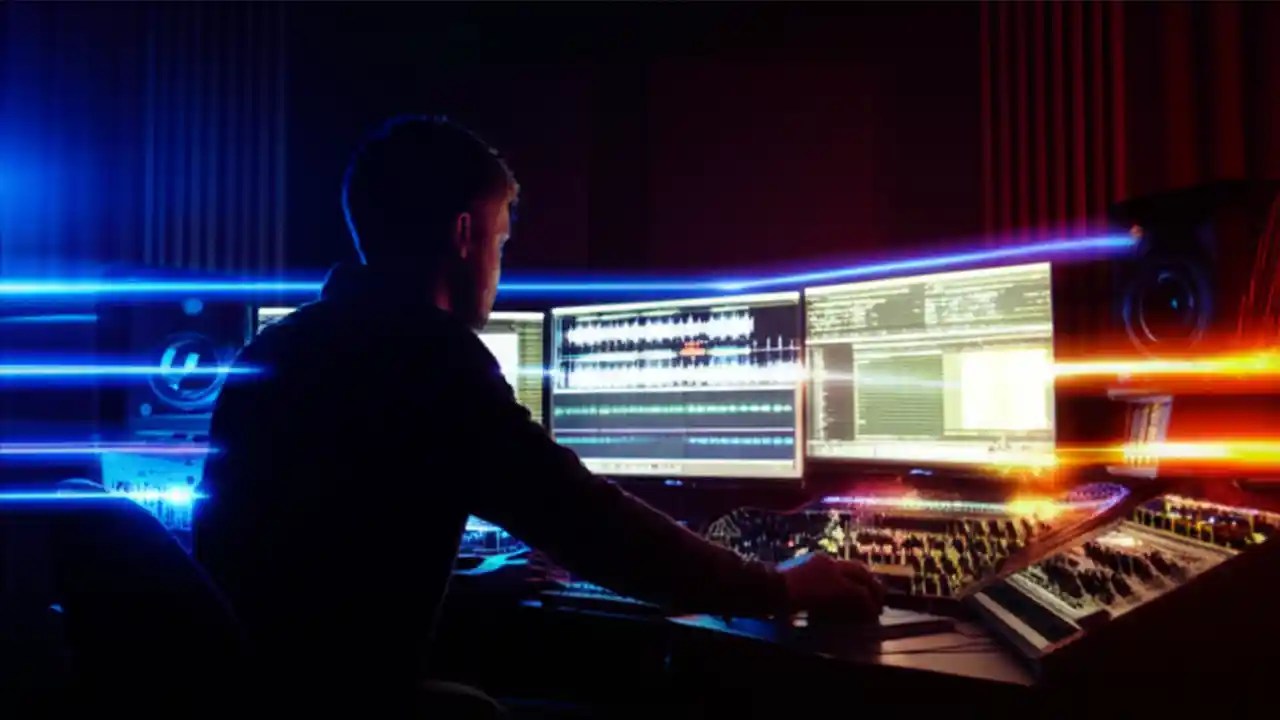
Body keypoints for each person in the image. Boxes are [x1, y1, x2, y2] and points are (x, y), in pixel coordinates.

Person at [194, 115, 883, 711]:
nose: (498, 265)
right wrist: (774, 585)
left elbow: (314, 564)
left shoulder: (279, 346)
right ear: (464, 234)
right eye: (501, 242)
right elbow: (587, 523)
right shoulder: (430, 358)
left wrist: (467, 585)